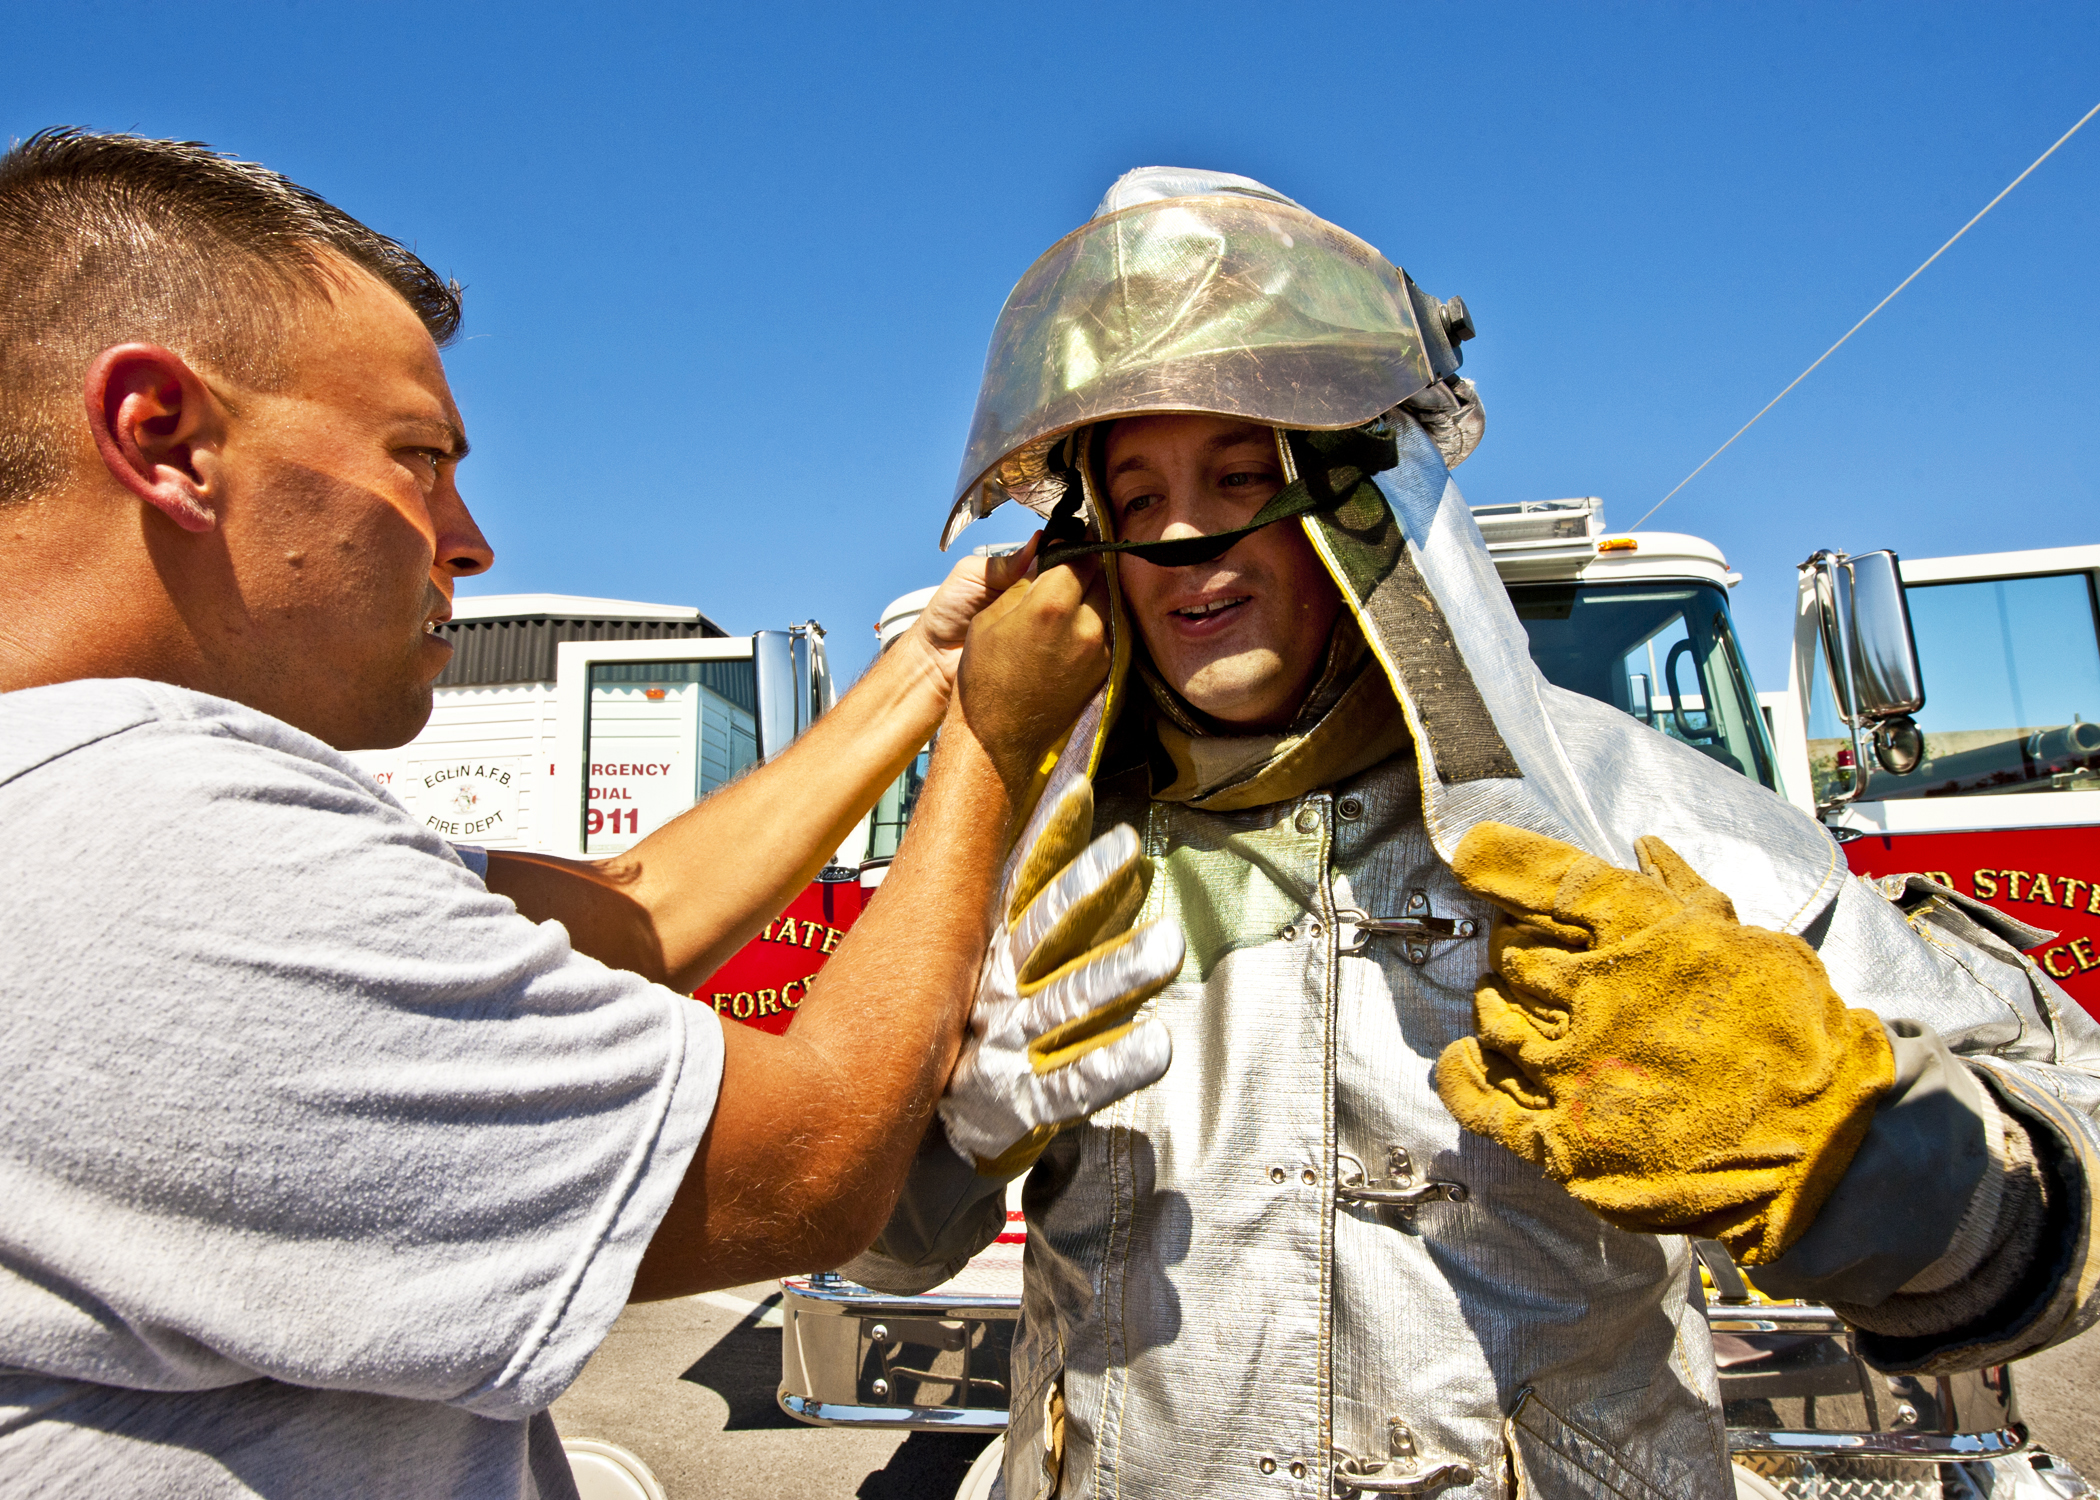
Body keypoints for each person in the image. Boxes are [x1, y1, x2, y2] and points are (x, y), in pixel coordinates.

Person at [849, 168, 2100, 1499]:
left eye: (1241, 472)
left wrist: (1860, 1157)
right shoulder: (1037, 856)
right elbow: (874, 1252)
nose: (1188, 536)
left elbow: (2068, 1147)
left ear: (1366, 500)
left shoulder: (1632, 811)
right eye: (1138, 495)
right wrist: (936, 1131)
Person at [0, 128, 1147, 1498]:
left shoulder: (74, 799)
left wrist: (925, 675)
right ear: (164, 438)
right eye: (419, 458)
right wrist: (994, 743)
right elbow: (807, 1165)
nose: (470, 538)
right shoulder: (154, 851)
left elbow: (637, 915)